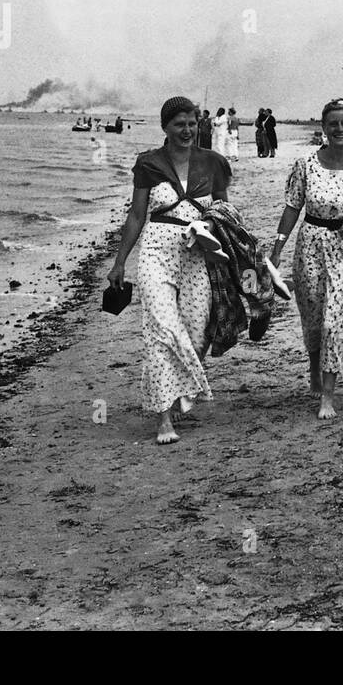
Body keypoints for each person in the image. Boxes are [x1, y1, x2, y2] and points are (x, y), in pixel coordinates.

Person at [108, 97, 233, 444]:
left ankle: (180, 390)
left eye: (192, 123)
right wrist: (120, 262)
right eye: (180, 124)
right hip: (156, 251)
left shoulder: (214, 163)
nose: (188, 130)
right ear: (165, 126)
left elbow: (225, 213)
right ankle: (164, 417)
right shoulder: (148, 163)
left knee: (196, 331)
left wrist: (213, 233)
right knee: (162, 327)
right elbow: (136, 216)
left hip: (198, 254)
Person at [271, 98, 343, 420]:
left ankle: (328, 396)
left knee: (333, 319)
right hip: (309, 244)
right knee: (312, 314)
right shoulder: (305, 164)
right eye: (333, 123)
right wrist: (278, 248)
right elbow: (293, 206)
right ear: (323, 128)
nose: (339, 129)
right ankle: (313, 364)